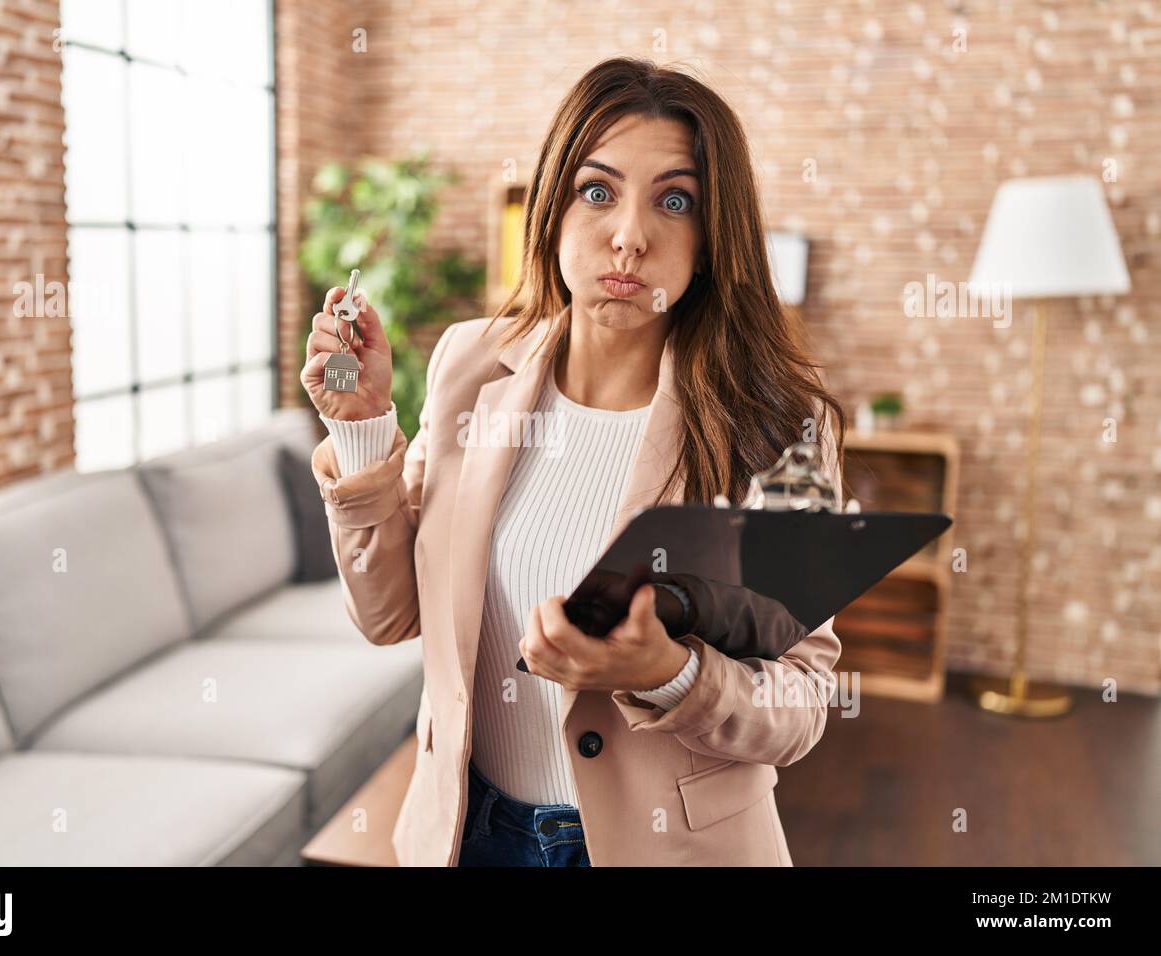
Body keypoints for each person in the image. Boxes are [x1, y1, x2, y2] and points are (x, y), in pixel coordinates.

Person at [300, 55, 846, 867]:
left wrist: (668, 672)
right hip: (469, 834)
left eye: (675, 201)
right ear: (551, 211)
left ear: (711, 238)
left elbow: (801, 704)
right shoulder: (468, 364)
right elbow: (388, 616)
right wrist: (362, 428)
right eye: (597, 191)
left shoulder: (778, 424)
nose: (630, 236)